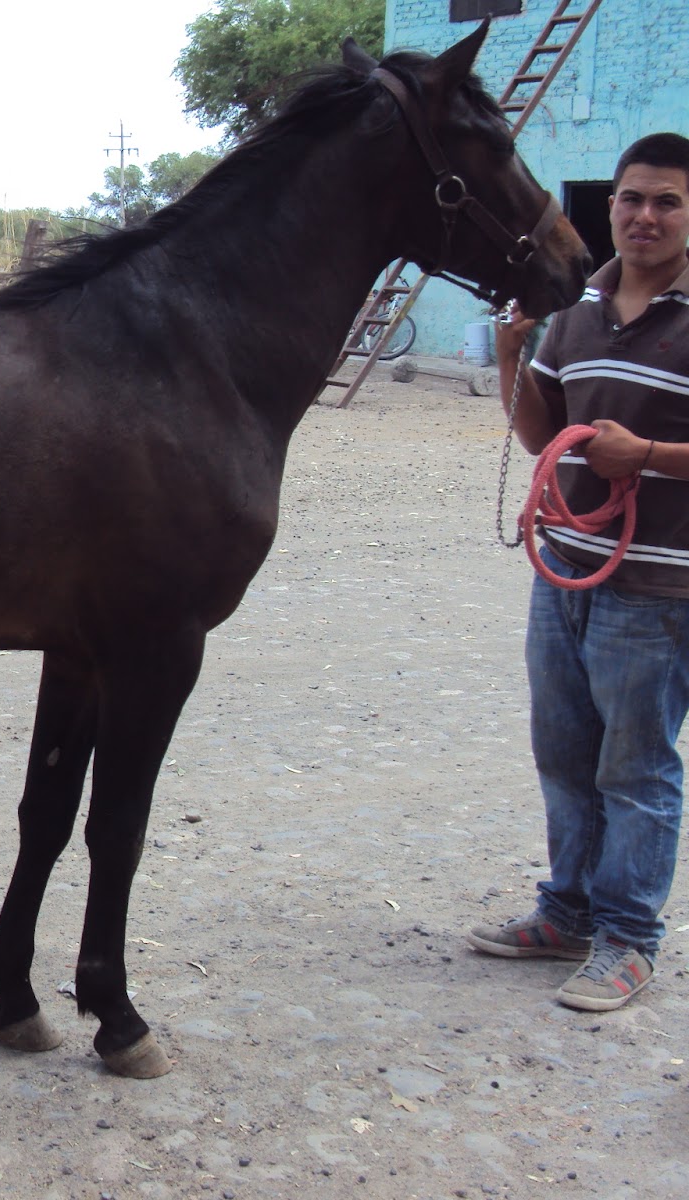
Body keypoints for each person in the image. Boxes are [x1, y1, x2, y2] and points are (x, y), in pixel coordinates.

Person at [469, 132, 689, 1011]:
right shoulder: (577, 308)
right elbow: (538, 431)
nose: (645, 215)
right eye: (633, 198)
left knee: (635, 768)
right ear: (611, 206)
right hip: (563, 572)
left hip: (658, 586)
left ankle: (629, 937)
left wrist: (652, 454)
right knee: (563, 754)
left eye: (667, 201)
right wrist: (516, 355)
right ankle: (567, 914)